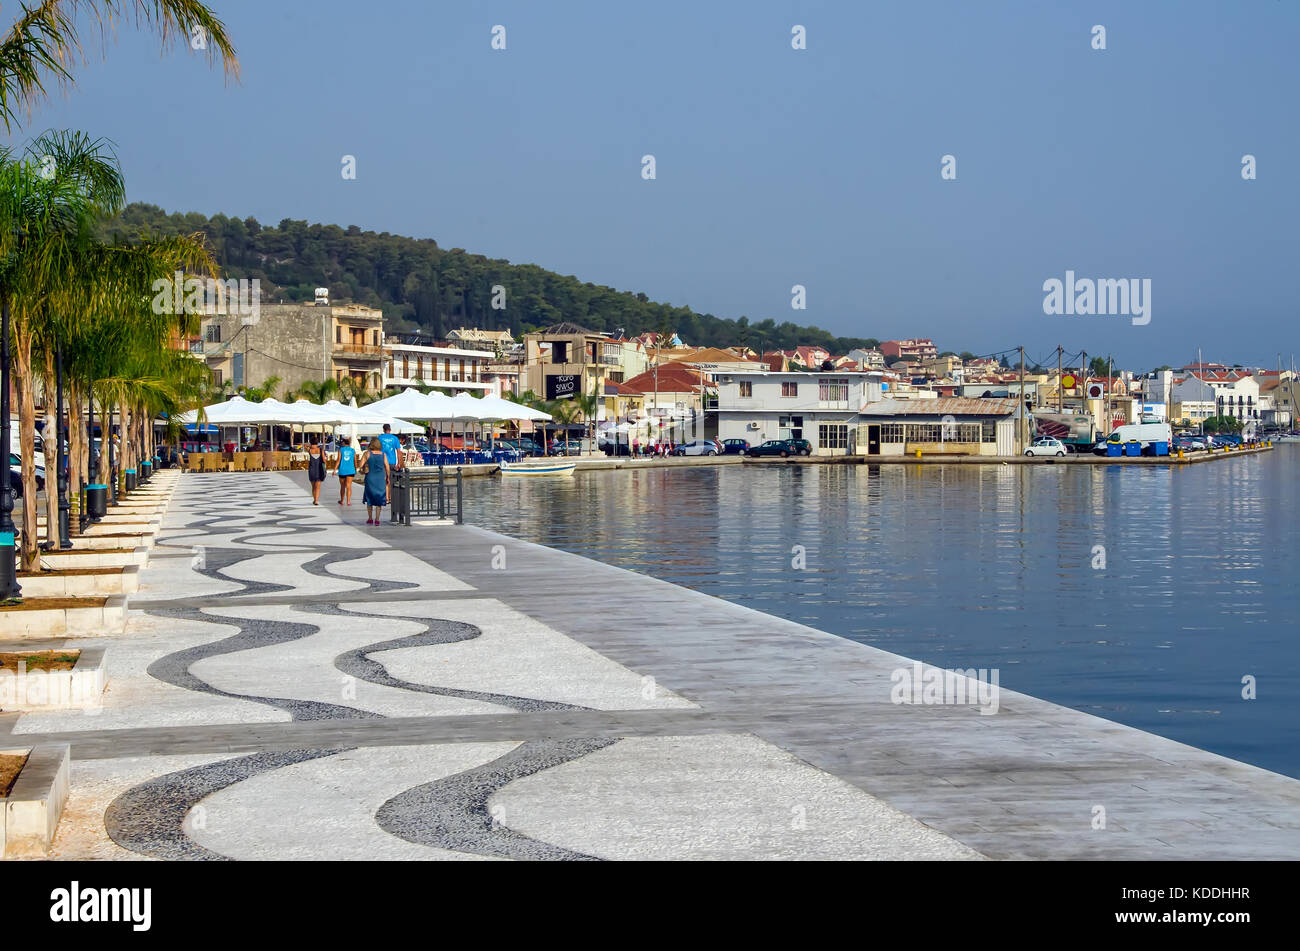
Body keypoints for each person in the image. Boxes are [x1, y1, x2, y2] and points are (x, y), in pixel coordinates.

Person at [357, 436, 390, 525]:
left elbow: (360, 465)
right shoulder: (383, 455)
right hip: (380, 479)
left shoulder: (367, 454)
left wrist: (365, 467)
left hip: (370, 478)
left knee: (370, 499)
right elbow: (387, 467)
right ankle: (377, 519)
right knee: (379, 499)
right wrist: (388, 477)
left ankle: (370, 518)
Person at [335, 436, 357, 505]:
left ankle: (342, 501)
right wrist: (356, 468)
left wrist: (335, 469)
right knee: (349, 486)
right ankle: (348, 501)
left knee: (342, 486)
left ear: (344, 442)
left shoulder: (341, 450)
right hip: (351, 470)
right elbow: (355, 461)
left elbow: (338, 460)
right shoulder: (352, 450)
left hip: (342, 470)